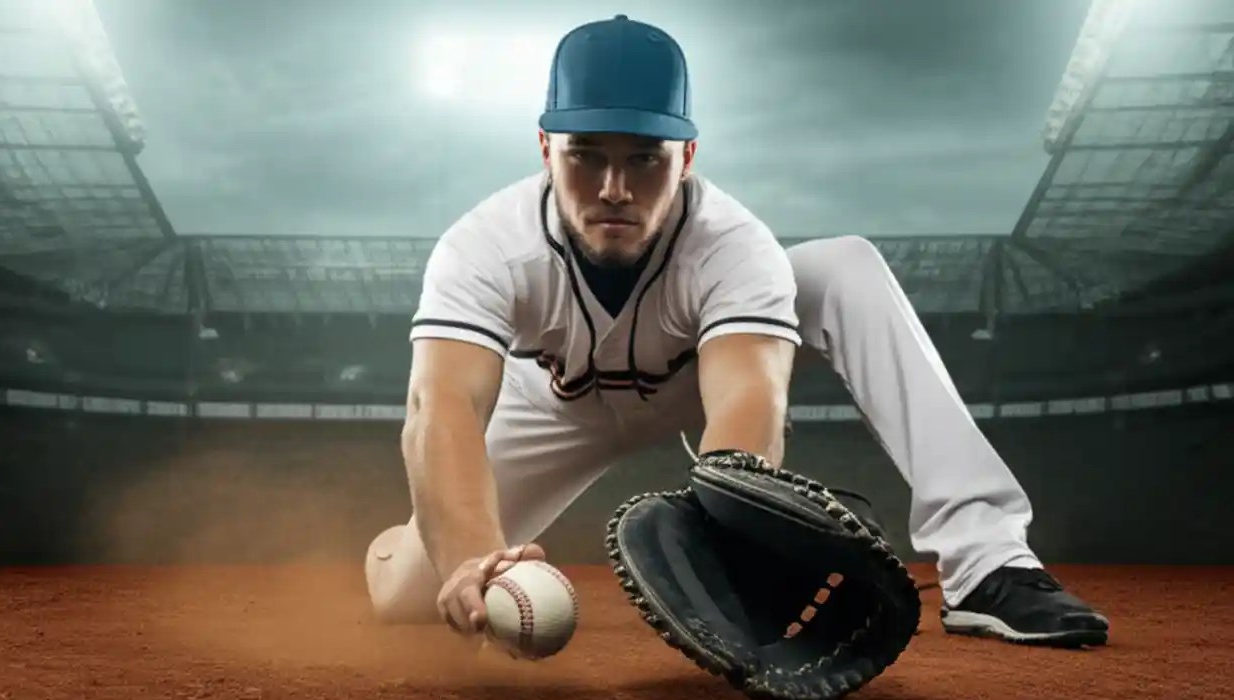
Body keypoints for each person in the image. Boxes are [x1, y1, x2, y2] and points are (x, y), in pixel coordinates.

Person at [365, 14, 1109, 648]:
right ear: (544, 149)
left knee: (843, 268)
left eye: (644, 159)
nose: (614, 188)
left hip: (698, 374)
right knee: (415, 595)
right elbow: (442, 406)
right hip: (552, 406)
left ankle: (988, 560)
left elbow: (751, 396)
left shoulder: (735, 246)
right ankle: (392, 549)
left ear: (686, 158)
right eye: (586, 155)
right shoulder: (485, 245)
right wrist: (473, 556)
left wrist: (725, 549)